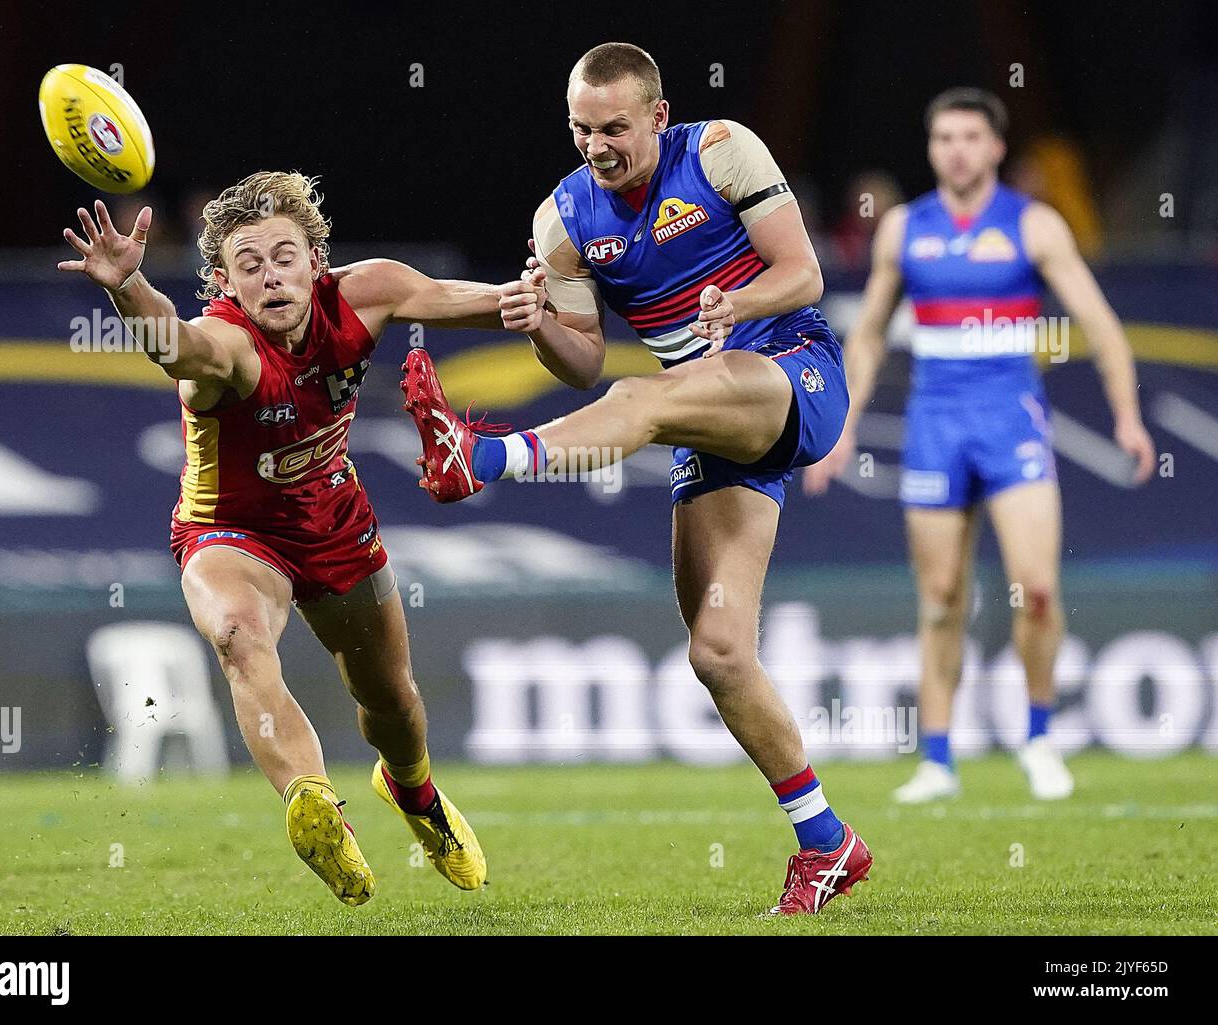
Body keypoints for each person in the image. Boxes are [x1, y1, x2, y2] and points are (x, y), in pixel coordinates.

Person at [401, 42, 871, 915]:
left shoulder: (721, 150)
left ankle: (488, 456)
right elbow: (580, 360)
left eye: (614, 128)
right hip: (705, 422)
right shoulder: (563, 219)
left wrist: (740, 302)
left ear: (658, 116)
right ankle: (828, 843)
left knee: (638, 397)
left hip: (791, 369)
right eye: (580, 129)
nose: (596, 146)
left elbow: (804, 272)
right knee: (717, 651)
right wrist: (539, 322)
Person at [58, 171, 508, 905]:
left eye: (284, 257)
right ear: (223, 281)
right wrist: (129, 288)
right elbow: (175, 346)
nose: (271, 276)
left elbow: (485, 302)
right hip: (230, 531)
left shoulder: (367, 292)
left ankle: (415, 794)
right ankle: (315, 804)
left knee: (391, 699)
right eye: (250, 264)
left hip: (333, 518)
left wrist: (550, 289)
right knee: (238, 635)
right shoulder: (227, 345)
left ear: (315, 261)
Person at [805, 88, 1155, 803]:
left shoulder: (1034, 225)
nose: (956, 151)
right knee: (940, 599)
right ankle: (937, 761)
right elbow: (867, 335)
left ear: (996, 147)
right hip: (934, 428)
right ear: (931, 148)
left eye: (970, 137)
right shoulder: (904, 229)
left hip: (1012, 425)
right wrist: (843, 426)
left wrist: (1127, 417)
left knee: (1039, 591)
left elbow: (1101, 325)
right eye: (944, 139)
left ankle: (1038, 738)